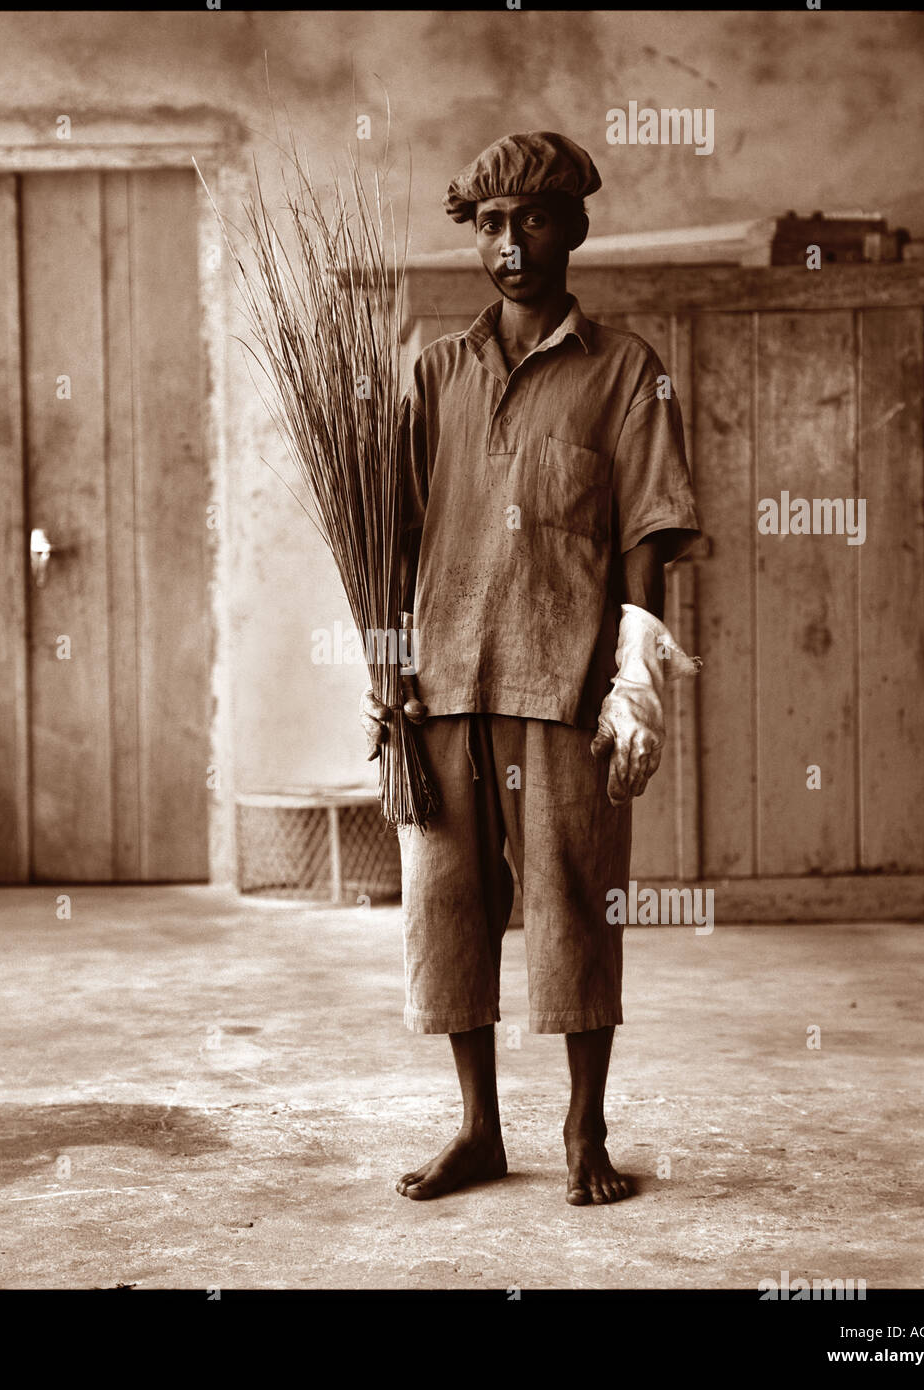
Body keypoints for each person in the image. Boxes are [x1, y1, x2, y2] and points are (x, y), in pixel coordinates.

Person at [361, 131, 702, 1205]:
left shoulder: (625, 371)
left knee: (574, 907)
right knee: (448, 909)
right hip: (443, 684)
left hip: (562, 691)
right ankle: (476, 1130)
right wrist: (386, 676)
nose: (513, 245)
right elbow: (388, 539)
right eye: (493, 225)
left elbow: (647, 528)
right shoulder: (433, 375)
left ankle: (582, 1132)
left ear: (576, 228)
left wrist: (634, 671)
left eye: (536, 221)